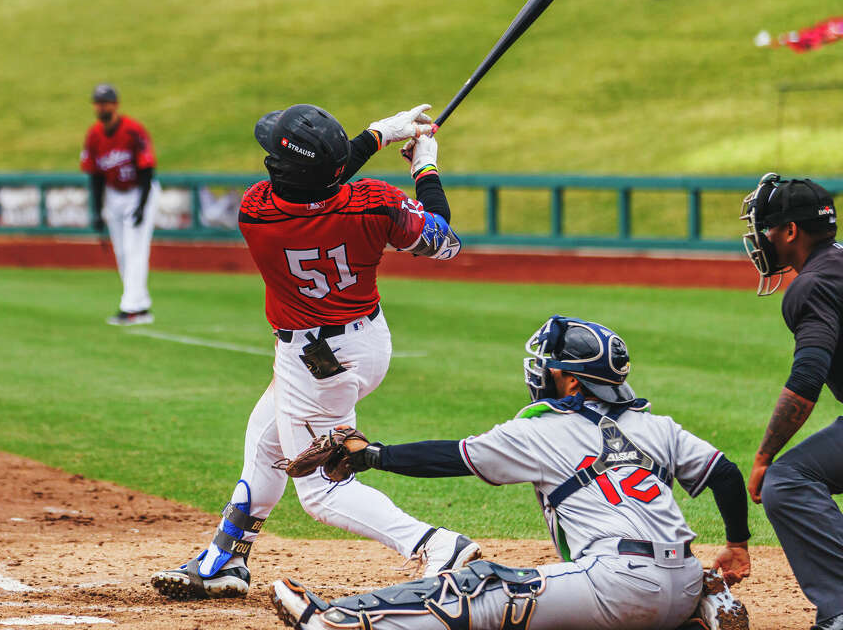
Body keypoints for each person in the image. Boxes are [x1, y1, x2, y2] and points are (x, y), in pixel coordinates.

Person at [150, 103, 475, 600]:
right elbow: (442, 237)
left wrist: (376, 135)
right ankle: (224, 559)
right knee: (265, 443)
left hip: (315, 362)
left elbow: (316, 184)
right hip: (364, 343)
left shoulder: (256, 211)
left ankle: (435, 545)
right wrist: (423, 164)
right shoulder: (376, 203)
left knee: (321, 491)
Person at [271, 315, 753, 630]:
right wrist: (737, 544)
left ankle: (336, 621)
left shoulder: (543, 431)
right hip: (684, 577)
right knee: (629, 596)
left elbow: (452, 457)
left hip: (615, 585)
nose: (539, 372)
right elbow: (726, 474)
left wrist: (372, 455)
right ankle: (702, 608)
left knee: (482, 587)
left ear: (571, 381)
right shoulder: (658, 426)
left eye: (549, 367)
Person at [740, 174, 843, 630]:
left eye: (766, 228)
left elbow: (807, 377)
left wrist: (765, 457)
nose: (761, 238)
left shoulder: (813, 285)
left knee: (787, 481)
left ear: (791, 231)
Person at [80, 83, 160, 326]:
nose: (101, 107)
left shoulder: (133, 130)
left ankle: (131, 307)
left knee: (136, 249)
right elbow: (95, 176)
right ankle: (140, 305)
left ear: (115, 104)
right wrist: (96, 211)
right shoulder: (94, 135)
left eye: (105, 102)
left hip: (139, 191)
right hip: (114, 194)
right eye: (98, 103)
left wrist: (142, 206)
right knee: (122, 252)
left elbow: (147, 170)